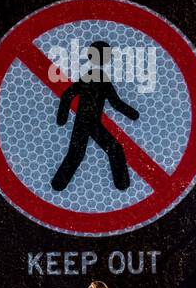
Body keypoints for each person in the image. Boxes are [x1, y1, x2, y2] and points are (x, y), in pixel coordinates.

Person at [50, 40, 140, 192]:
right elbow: (115, 102)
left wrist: (62, 118)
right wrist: (133, 114)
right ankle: (122, 183)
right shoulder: (96, 78)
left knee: (78, 153)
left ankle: (58, 184)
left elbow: (67, 95)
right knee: (111, 149)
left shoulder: (96, 78)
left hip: (86, 122)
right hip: (88, 122)